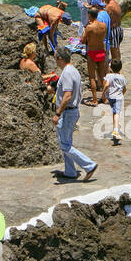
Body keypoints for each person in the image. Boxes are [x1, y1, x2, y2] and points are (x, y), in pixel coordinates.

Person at [51, 46, 97, 181]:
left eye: (55, 58)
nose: (55, 61)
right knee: (66, 142)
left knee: (64, 145)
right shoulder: (73, 71)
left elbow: (67, 95)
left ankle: (89, 165)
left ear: (60, 59)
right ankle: (70, 171)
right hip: (72, 111)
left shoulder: (67, 73)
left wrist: (58, 113)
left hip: (67, 112)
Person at [83, 1, 108, 104]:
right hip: (101, 51)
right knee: (102, 75)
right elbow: (103, 36)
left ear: (90, 15)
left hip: (92, 52)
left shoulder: (89, 27)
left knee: (92, 76)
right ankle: (104, 97)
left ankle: (94, 99)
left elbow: (83, 40)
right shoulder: (103, 25)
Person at [105, 59, 127, 144]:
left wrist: (104, 93)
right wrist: (122, 94)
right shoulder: (122, 77)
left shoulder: (108, 76)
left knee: (114, 113)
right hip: (118, 97)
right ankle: (116, 131)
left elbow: (106, 85)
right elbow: (124, 88)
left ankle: (115, 128)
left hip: (110, 97)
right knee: (117, 114)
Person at [102, 0, 125, 65]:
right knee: (117, 48)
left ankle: (116, 67)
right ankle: (118, 65)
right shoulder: (115, 3)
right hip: (119, 28)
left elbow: (105, 16)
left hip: (114, 30)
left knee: (114, 49)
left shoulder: (109, 6)